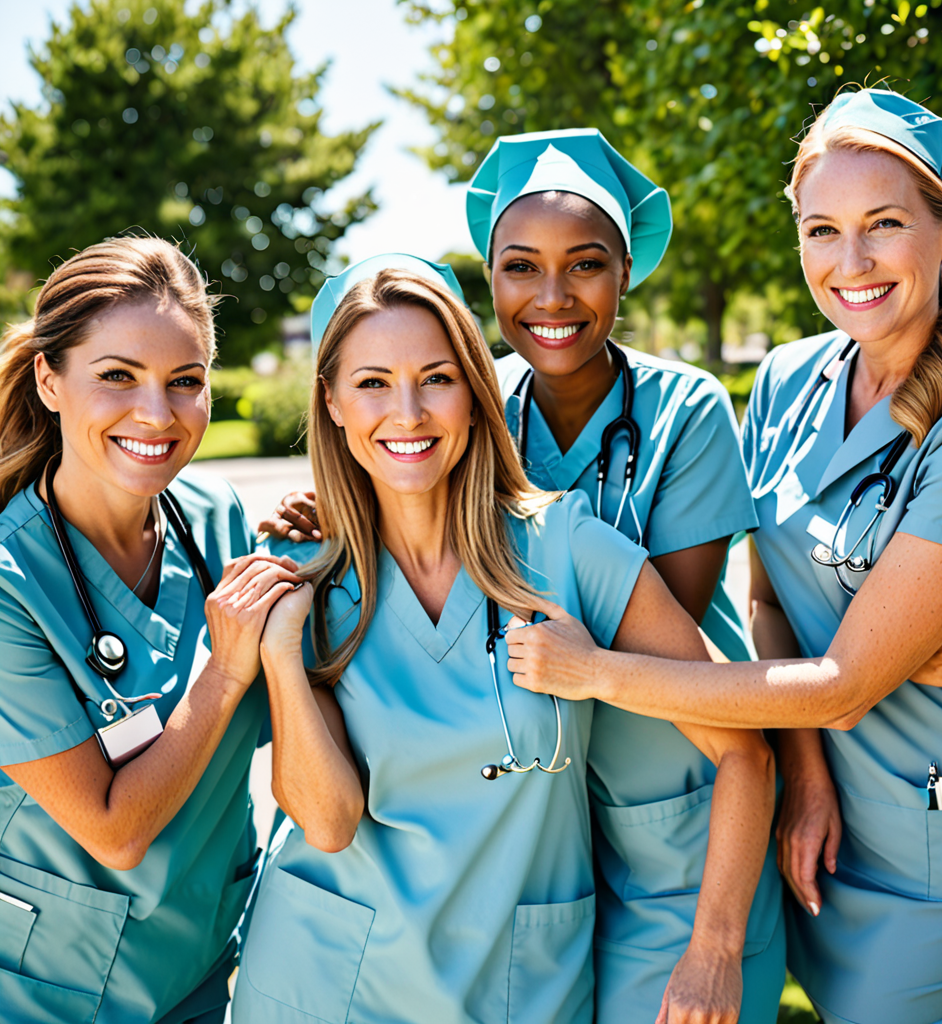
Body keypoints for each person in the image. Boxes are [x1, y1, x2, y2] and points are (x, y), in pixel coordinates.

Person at [503, 89, 942, 1024]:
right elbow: (772, 598)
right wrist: (810, 771)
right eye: (822, 230)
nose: (850, 262)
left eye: (884, 225)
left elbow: (843, 682)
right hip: (820, 806)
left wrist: (592, 671)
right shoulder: (790, 376)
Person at [232, 261, 776, 1024]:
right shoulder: (307, 582)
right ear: (332, 400)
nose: (409, 412)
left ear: (476, 390)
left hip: (517, 987)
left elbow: (744, 753)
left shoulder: (570, 549)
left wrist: (714, 951)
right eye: (373, 384)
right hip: (328, 983)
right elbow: (325, 821)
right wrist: (283, 657)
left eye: (437, 378)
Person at [0, 237, 300, 1023]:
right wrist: (224, 674)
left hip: (200, 970)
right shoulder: (8, 583)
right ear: (49, 380)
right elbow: (114, 831)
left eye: (185, 382)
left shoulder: (216, 517)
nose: (158, 414)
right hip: (49, 992)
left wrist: (337, 536)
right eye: (117, 377)